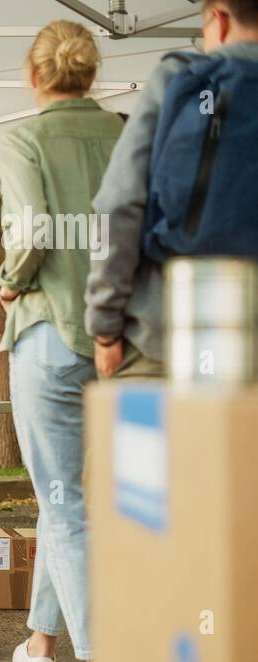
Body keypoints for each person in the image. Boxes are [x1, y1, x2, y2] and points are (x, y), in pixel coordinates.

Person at [0, 20, 124, 662]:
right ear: (89, 75)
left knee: (66, 500)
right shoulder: (125, 133)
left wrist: (11, 281)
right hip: (121, 340)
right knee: (67, 496)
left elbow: (35, 232)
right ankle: (41, 647)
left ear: (35, 76)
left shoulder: (22, 138)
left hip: (49, 333)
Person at [86, 0, 258, 378]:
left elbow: (116, 204)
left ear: (219, 19)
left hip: (169, 337)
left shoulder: (180, 77)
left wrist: (104, 325)